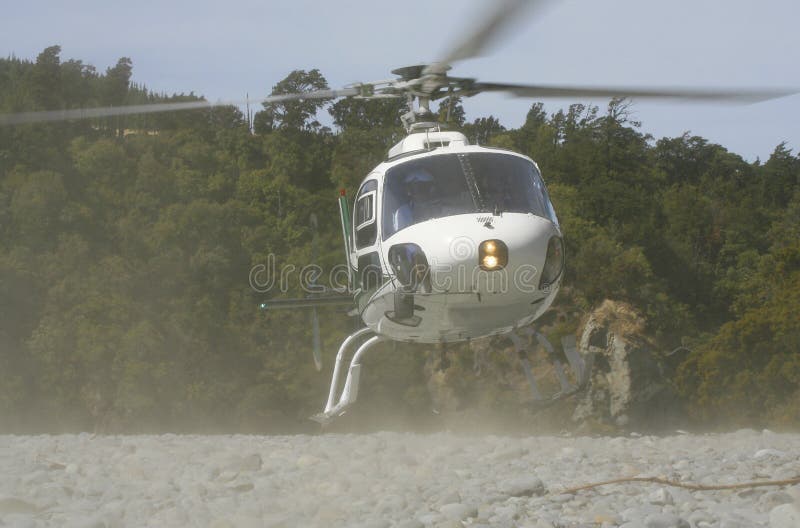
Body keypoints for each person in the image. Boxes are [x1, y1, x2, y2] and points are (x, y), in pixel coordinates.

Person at [392, 168, 435, 232]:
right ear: (408, 191)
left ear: (431, 189)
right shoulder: (402, 212)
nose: (417, 193)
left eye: (421, 188)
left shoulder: (442, 208)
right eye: (412, 188)